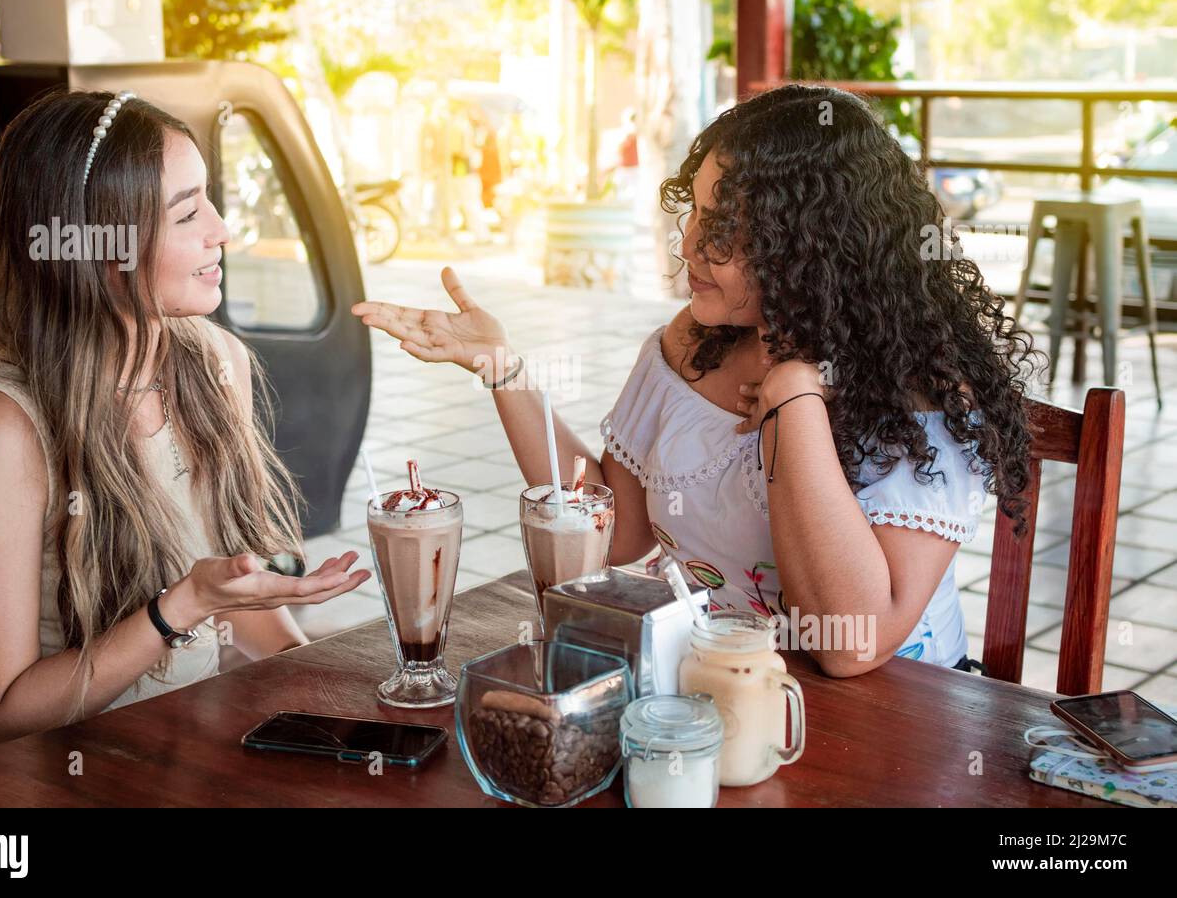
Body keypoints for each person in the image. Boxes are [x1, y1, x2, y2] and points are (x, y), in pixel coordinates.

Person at [352, 84, 1041, 677]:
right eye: (696, 216)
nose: (688, 247)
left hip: (891, 734)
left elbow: (851, 646)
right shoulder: (696, 340)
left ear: (812, 245)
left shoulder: (919, 386)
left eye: (724, 230)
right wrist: (504, 371)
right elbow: (617, 537)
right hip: (723, 689)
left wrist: (793, 393)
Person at [0, 89, 370, 750]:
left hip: (186, 749)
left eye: (209, 201)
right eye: (188, 212)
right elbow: (0, 714)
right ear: (99, 248)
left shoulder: (216, 362)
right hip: (58, 774)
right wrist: (179, 607)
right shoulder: (0, 429)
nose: (221, 229)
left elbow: (236, 605)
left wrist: (315, 707)